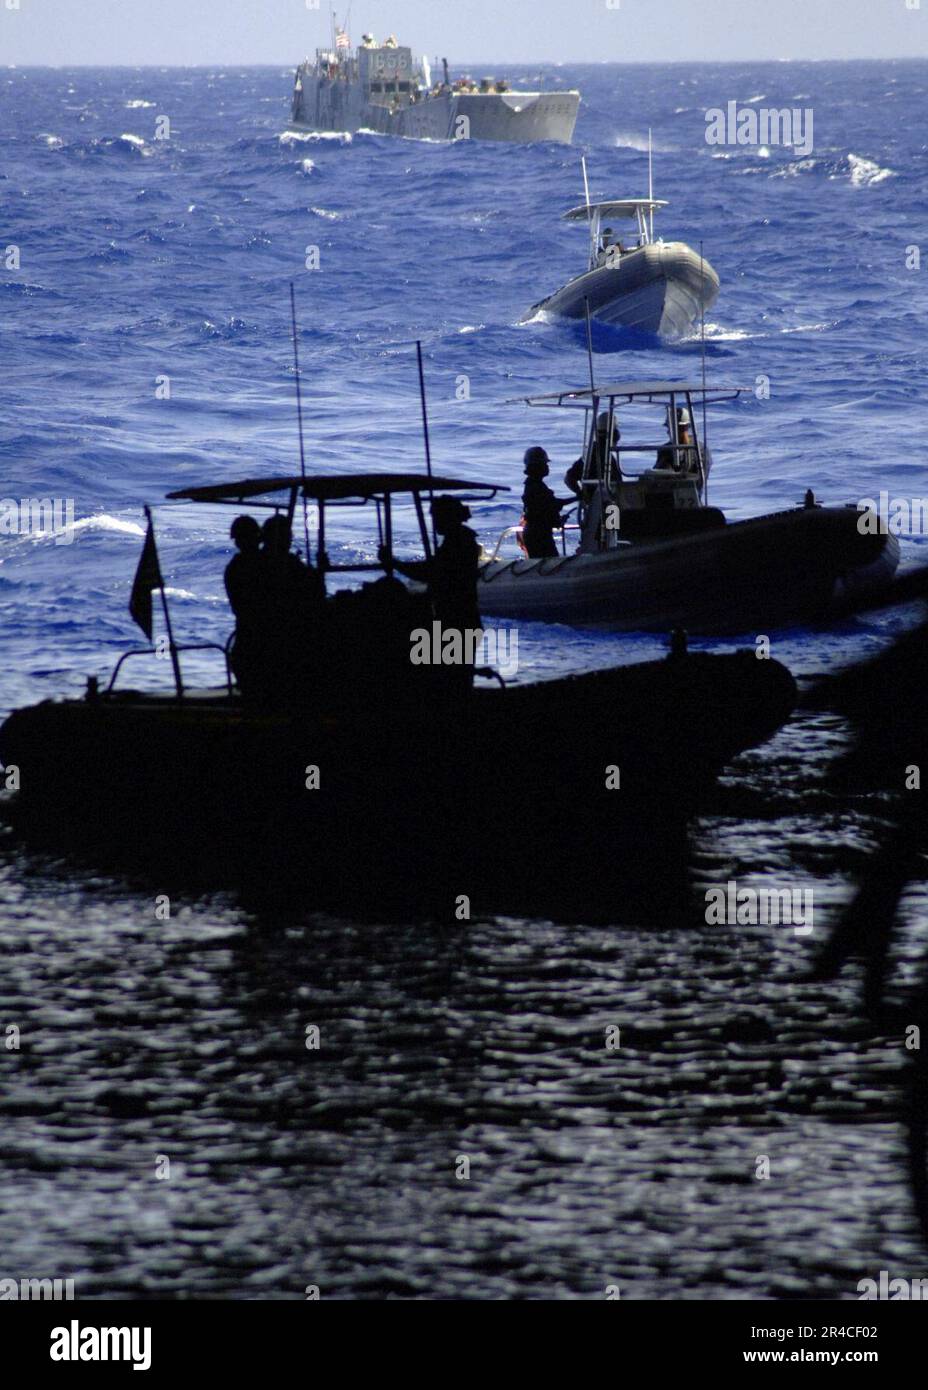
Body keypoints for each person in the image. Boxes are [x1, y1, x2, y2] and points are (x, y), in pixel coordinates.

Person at [378, 495, 482, 691]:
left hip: (456, 620)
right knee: (455, 677)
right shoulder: (460, 539)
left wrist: (395, 564)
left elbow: (433, 572)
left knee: (451, 679)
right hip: (460, 618)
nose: (434, 522)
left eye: (437, 517)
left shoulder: (458, 542)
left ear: (447, 517)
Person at [521, 447, 571, 559]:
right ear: (537, 466)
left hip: (538, 534)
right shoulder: (536, 488)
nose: (547, 467)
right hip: (539, 537)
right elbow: (550, 506)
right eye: (544, 464)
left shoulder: (534, 485)